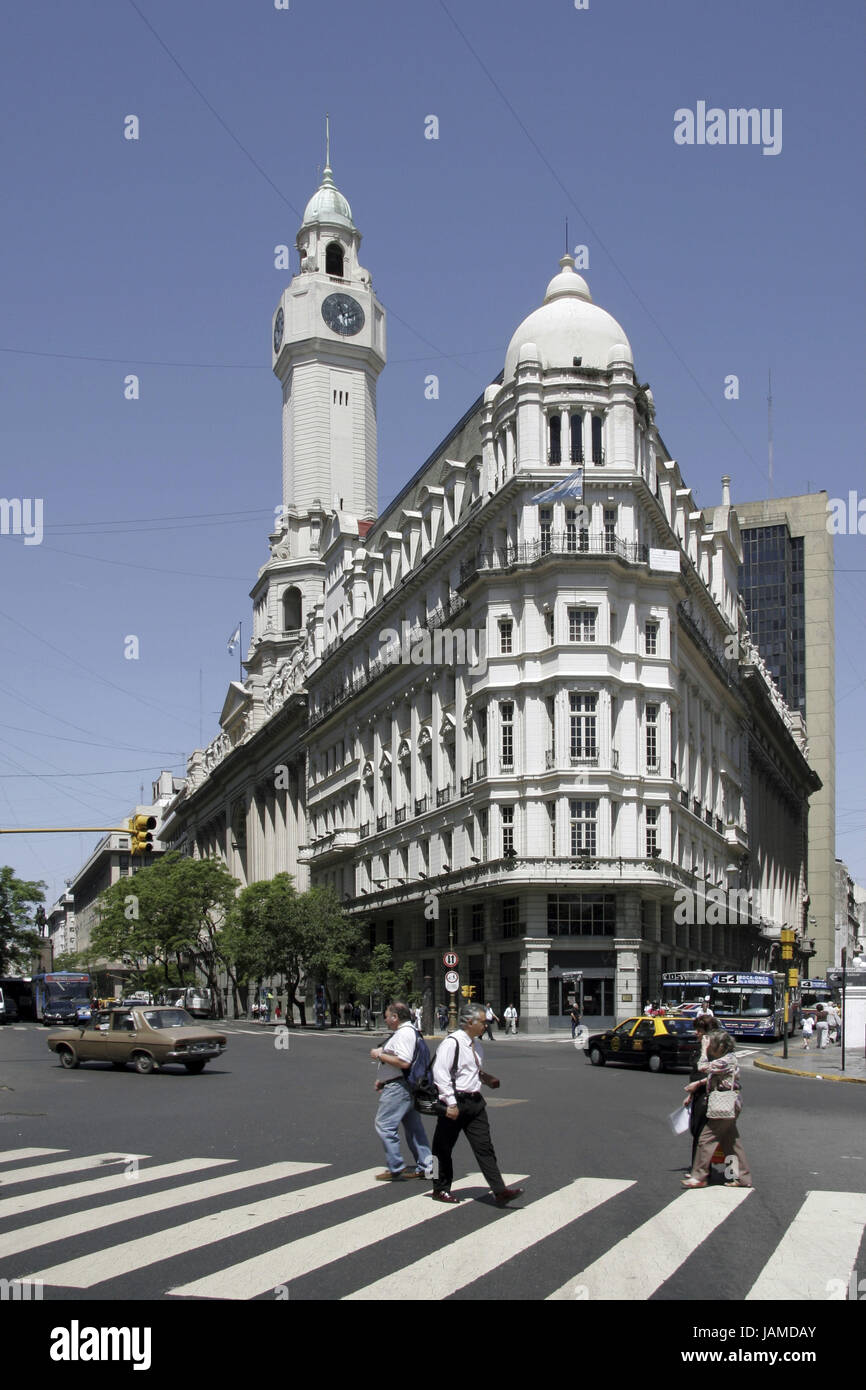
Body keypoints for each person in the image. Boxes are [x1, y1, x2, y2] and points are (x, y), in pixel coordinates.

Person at [429, 1001, 523, 1206]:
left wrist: (486, 1079)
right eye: (482, 1021)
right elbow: (440, 1073)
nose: (486, 1025)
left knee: (485, 1147)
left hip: (475, 1103)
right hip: (454, 1102)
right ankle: (439, 1188)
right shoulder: (452, 1042)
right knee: (441, 1149)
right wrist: (451, 1103)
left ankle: (500, 1190)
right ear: (469, 1022)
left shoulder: (476, 1045)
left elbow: (469, 1071)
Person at [370, 1002, 433, 1183]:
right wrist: (382, 1079)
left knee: (384, 1124)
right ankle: (428, 1167)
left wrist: (379, 1055)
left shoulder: (405, 1033)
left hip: (399, 1088)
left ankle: (395, 1166)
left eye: (387, 1015)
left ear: (395, 1017)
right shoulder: (409, 1031)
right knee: (414, 1129)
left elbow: (404, 1062)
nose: (385, 1019)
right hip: (404, 1085)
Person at [682, 1030, 752, 1189]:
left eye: (713, 1044)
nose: (710, 1047)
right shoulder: (727, 1059)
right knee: (731, 1142)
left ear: (721, 1046)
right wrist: (696, 1088)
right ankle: (741, 1177)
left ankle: (699, 1175)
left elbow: (702, 1067)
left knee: (706, 1138)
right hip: (730, 1103)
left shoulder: (726, 1060)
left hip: (724, 1103)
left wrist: (703, 1049)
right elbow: (712, 1077)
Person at [685, 1014, 717, 1171]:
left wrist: (697, 1084)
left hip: (707, 1095)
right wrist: (690, 1095)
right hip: (698, 1094)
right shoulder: (702, 1048)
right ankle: (698, 1168)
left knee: (701, 1133)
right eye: (696, 1030)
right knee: (696, 1130)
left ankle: (701, 1169)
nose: (696, 1033)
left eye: (699, 1030)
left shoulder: (712, 1051)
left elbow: (712, 1075)